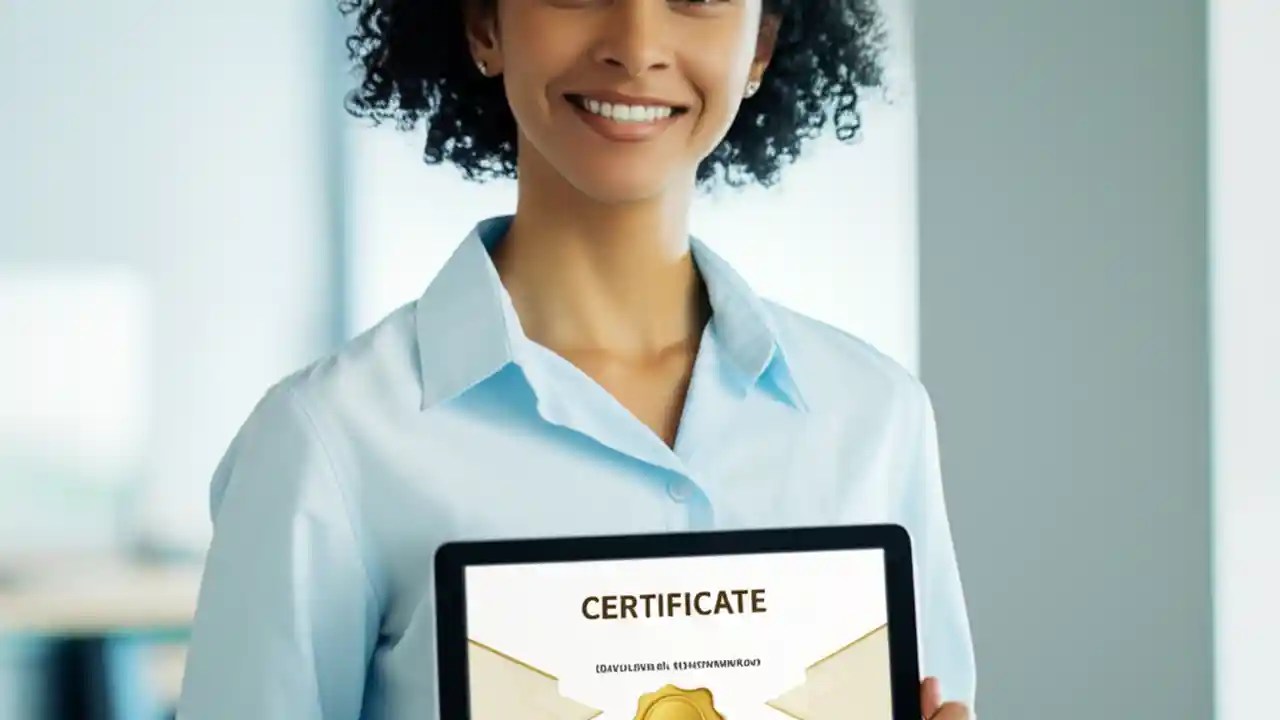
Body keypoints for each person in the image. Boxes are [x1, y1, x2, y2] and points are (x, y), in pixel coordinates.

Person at [177, 0, 975, 717]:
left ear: (760, 42)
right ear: (485, 25)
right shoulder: (328, 442)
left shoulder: (876, 418)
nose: (636, 44)